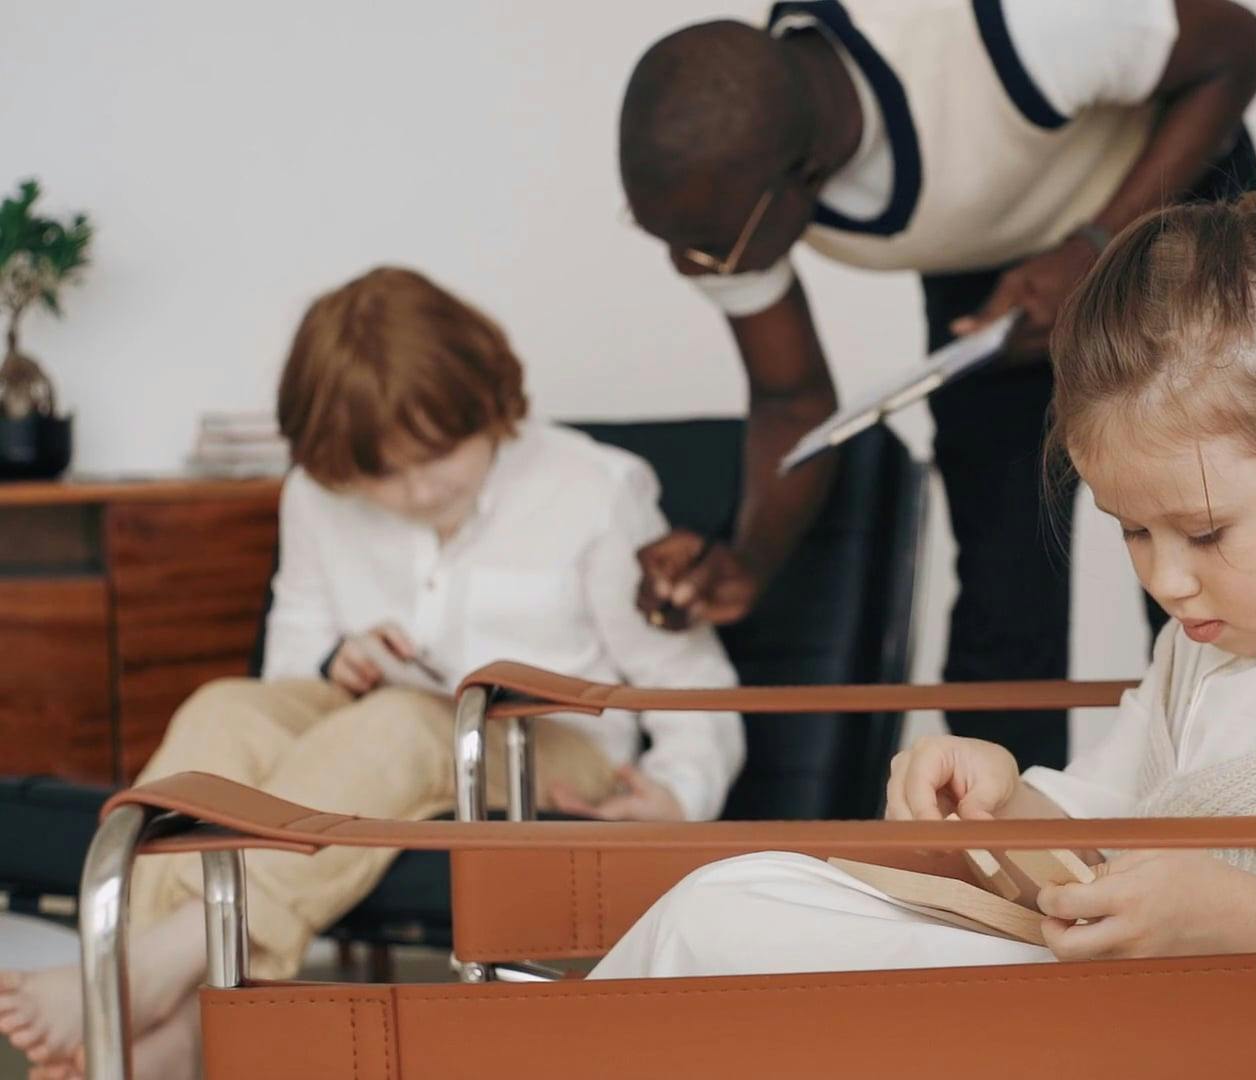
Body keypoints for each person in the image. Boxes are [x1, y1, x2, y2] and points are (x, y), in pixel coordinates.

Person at [587, 188, 1256, 979]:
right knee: (737, 893)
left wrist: (1234, 919)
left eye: (1206, 532)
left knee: (718, 932)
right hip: (1124, 1001)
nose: (1167, 580)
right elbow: (1098, 826)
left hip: (1211, 1035)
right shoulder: (1222, 635)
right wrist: (1001, 800)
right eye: (1133, 530)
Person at [0, 267, 744, 1079]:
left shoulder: (595, 490)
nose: (417, 491)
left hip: (550, 756)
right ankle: (178, 1032)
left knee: (409, 721)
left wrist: (677, 798)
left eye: (438, 456)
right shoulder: (317, 495)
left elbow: (690, 682)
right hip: (369, 745)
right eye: (382, 475)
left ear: (489, 402)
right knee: (225, 710)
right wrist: (337, 662)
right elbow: (289, 671)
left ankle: (134, 976)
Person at [620, 0, 1256, 770]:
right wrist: (750, 558)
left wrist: (1096, 246)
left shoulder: (1008, 31)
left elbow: (1239, 47)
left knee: (1206, 547)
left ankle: (1238, 805)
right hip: (993, 265)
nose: (697, 267)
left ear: (804, 177)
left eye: (709, 249)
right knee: (1001, 596)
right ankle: (1011, 832)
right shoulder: (722, 199)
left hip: (1166, 210)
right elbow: (790, 400)